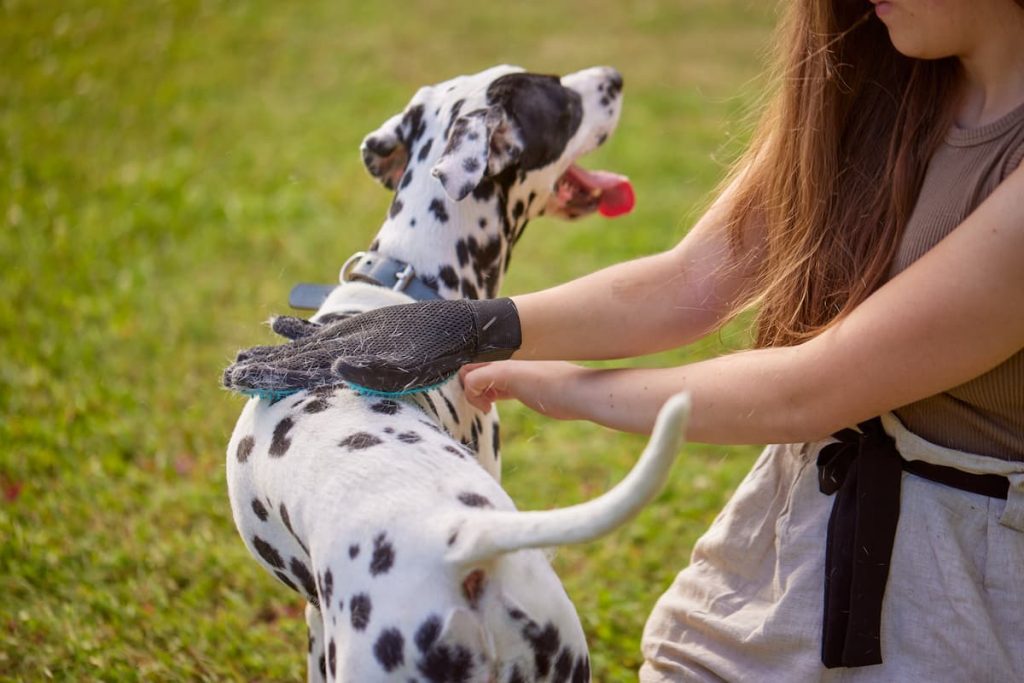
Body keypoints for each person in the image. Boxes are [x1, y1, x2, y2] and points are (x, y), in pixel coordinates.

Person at [225, 0, 1024, 678]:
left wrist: (559, 384)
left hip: (965, 579)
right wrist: (472, 324)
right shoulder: (884, 81)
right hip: (804, 521)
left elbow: (808, 388)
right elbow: (691, 282)